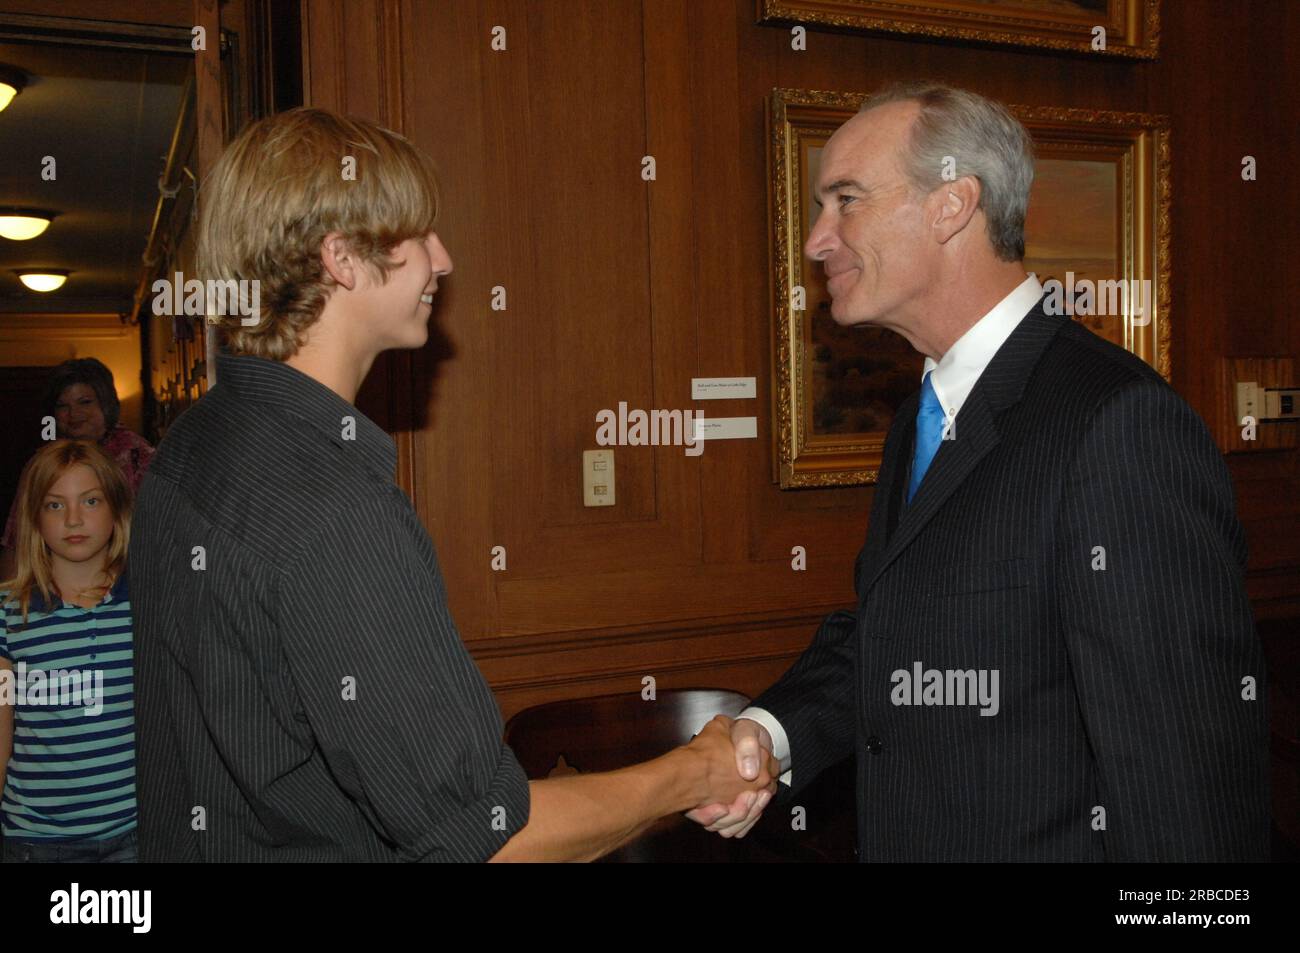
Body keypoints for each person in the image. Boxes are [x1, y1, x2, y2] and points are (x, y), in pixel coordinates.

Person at [129, 106, 775, 863]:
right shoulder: (334, 510)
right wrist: (695, 770)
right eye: (416, 235)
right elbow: (489, 838)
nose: (443, 258)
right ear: (340, 258)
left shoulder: (191, 444)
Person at [689, 81, 1270, 861]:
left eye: (847, 199)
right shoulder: (920, 417)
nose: (816, 239)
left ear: (951, 205)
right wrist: (765, 734)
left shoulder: (1118, 424)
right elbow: (898, 638)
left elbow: (1185, 784)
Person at [0, 440, 137, 862]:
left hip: (135, 832)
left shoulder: (147, 605)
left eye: (91, 501)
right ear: (35, 520)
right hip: (36, 840)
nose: (74, 519)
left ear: (116, 510)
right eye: (55, 505)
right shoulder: (9, 614)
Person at [0, 358, 155, 579]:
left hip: (133, 587)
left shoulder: (139, 457)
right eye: (63, 405)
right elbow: (17, 539)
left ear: (106, 403)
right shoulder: (43, 464)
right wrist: (11, 605)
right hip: (54, 595)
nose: (74, 414)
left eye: (85, 402)